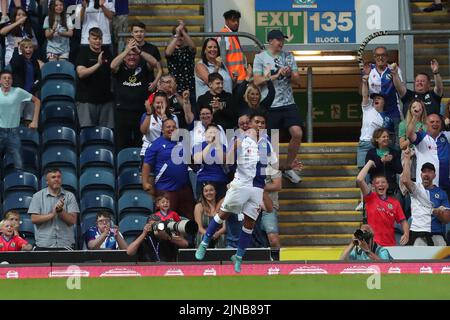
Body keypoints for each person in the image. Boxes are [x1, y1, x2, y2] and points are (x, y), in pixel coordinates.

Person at [195, 111, 278, 273]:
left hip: (257, 188)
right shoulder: (241, 139)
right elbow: (227, 160)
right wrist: (234, 146)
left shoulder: (268, 143)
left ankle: (238, 257)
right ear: (251, 124)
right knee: (223, 214)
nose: (259, 125)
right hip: (241, 184)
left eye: (262, 123)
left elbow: (274, 165)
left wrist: (290, 164)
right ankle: (204, 243)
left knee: (249, 224)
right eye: (256, 122)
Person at [253, 29, 302, 184]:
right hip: (270, 103)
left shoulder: (289, 56)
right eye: (278, 39)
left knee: (297, 133)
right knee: (271, 140)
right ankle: (272, 172)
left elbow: (298, 80)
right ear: (270, 41)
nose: (281, 42)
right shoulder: (260, 57)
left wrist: (289, 74)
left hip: (288, 102)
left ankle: (288, 167)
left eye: (282, 40)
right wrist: (276, 75)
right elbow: (257, 81)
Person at [111, 37, 158, 151]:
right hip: (122, 112)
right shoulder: (120, 67)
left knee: (140, 143)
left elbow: (154, 62)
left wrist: (139, 51)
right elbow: (112, 66)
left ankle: (139, 167)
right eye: (129, 55)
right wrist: (126, 50)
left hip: (140, 112)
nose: (132, 57)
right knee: (121, 144)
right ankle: (122, 167)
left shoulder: (143, 67)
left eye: (134, 54)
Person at [142, 118, 195, 219]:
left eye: (174, 127)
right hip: (166, 188)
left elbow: (190, 161)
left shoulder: (182, 142)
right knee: (167, 220)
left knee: (189, 218)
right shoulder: (155, 144)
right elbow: (147, 164)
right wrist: (145, 182)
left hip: (184, 187)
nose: (171, 129)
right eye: (168, 127)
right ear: (162, 130)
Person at [356, 160, 409, 247]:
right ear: (373, 186)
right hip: (373, 245)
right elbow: (359, 179)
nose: (380, 185)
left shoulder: (395, 203)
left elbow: (403, 221)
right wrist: (369, 163)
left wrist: (406, 234)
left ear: (387, 185)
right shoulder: (370, 198)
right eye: (377, 183)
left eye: (383, 182)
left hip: (390, 245)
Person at [401, 149, 449, 246]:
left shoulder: (441, 193)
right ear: (421, 175)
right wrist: (407, 159)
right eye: (424, 172)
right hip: (418, 234)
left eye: (429, 172)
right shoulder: (416, 188)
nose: (426, 174)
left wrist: (438, 213)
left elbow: (447, 219)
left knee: (443, 253)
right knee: (419, 256)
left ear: (434, 175)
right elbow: (405, 180)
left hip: (437, 233)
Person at [28, 168, 80, 250]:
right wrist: (52, 214)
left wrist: (60, 211)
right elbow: (34, 219)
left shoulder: (70, 196)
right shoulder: (37, 196)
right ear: (47, 181)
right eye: (53, 177)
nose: (56, 179)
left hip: (65, 245)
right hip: (43, 244)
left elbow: (72, 221)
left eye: (59, 177)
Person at [0, 70, 40, 171]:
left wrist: (34, 120)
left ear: (12, 81)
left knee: (19, 164)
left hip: (13, 132)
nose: (7, 80)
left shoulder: (18, 91)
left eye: (9, 78)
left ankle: (19, 183)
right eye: (4, 78)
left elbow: (37, 101)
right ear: (0, 80)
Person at [75, 27, 114, 128]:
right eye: (94, 38)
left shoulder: (107, 52)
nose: (98, 41)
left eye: (100, 38)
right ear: (89, 40)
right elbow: (81, 73)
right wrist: (98, 64)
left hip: (106, 100)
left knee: (106, 132)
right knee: (87, 132)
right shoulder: (83, 52)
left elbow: (115, 68)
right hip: (86, 101)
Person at [407, 113, 450, 198]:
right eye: (432, 122)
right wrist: (415, 117)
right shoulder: (421, 136)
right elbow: (409, 135)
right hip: (426, 187)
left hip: (445, 185)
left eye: (438, 122)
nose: (435, 124)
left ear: (441, 124)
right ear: (426, 124)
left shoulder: (446, 136)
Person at [365, 47, 402, 145]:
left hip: (393, 113)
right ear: (374, 57)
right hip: (374, 114)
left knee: (395, 146)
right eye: (377, 55)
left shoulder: (394, 69)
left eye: (383, 55)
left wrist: (395, 74)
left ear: (387, 57)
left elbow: (400, 90)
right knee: (374, 144)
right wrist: (364, 77)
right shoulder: (369, 70)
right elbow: (361, 92)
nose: (380, 58)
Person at [9, 39, 42, 127]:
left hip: (30, 95)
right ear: (22, 49)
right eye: (26, 47)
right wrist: (16, 48)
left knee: (29, 121)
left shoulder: (34, 62)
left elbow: (39, 77)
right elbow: (13, 63)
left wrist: (34, 86)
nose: (28, 50)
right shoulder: (18, 59)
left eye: (30, 47)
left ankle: (29, 139)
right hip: (19, 96)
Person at [192, 123, 228, 199]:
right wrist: (210, 144)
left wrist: (217, 144)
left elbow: (223, 160)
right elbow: (198, 160)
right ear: (205, 134)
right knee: (202, 206)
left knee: (220, 207)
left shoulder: (222, 147)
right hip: (203, 179)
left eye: (215, 133)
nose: (213, 135)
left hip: (220, 180)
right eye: (210, 132)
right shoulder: (198, 146)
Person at [139, 91, 179, 159]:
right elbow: (144, 131)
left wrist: (164, 117)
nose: (160, 105)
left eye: (162, 103)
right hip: (148, 150)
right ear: (153, 104)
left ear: (166, 104)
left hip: (166, 151)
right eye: (157, 103)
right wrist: (149, 113)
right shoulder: (147, 115)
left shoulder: (173, 117)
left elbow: (174, 137)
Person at [365, 128, 403, 197]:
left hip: (391, 188)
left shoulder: (394, 152)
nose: (386, 138)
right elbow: (368, 170)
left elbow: (400, 170)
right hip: (376, 189)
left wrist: (391, 161)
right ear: (377, 139)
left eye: (387, 137)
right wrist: (381, 161)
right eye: (383, 137)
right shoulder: (371, 153)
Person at [165, 19, 196, 96]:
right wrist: (177, 34)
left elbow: (193, 47)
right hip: (173, 88)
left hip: (189, 87)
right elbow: (168, 53)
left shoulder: (188, 49)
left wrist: (183, 31)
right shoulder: (170, 49)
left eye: (182, 36)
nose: (179, 38)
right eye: (177, 35)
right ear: (173, 36)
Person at [130, 21, 162, 92]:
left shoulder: (153, 48)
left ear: (145, 32)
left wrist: (155, 82)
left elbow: (160, 69)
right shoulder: (128, 49)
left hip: (148, 86)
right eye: (136, 32)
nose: (139, 34)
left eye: (141, 31)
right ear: (132, 33)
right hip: (133, 85)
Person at [194, 183, 226, 249]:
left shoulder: (222, 206)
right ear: (203, 193)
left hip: (218, 233)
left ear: (215, 191)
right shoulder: (199, 206)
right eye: (206, 191)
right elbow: (199, 227)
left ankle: (222, 258)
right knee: (202, 237)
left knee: (222, 238)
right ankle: (201, 257)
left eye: (211, 190)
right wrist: (209, 234)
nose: (209, 193)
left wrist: (217, 233)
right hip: (204, 233)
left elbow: (224, 228)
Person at [218, 9, 246, 81]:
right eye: (233, 21)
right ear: (226, 21)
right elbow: (221, 59)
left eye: (238, 21)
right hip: (231, 79)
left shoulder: (232, 35)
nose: (236, 23)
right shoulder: (225, 35)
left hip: (237, 78)